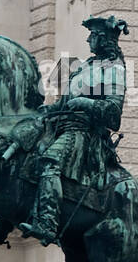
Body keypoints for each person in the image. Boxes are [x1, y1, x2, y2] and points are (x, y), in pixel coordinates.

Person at [17, 15, 128, 245]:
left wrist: (86, 104)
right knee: (22, 148)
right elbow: (65, 101)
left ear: (103, 39)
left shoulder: (114, 68)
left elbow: (114, 113)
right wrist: (47, 110)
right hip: (61, 126)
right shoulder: (86, 66)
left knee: (50, 161)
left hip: (84, 133)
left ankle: (47, 223)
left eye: (93, 35)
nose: (88, 40)